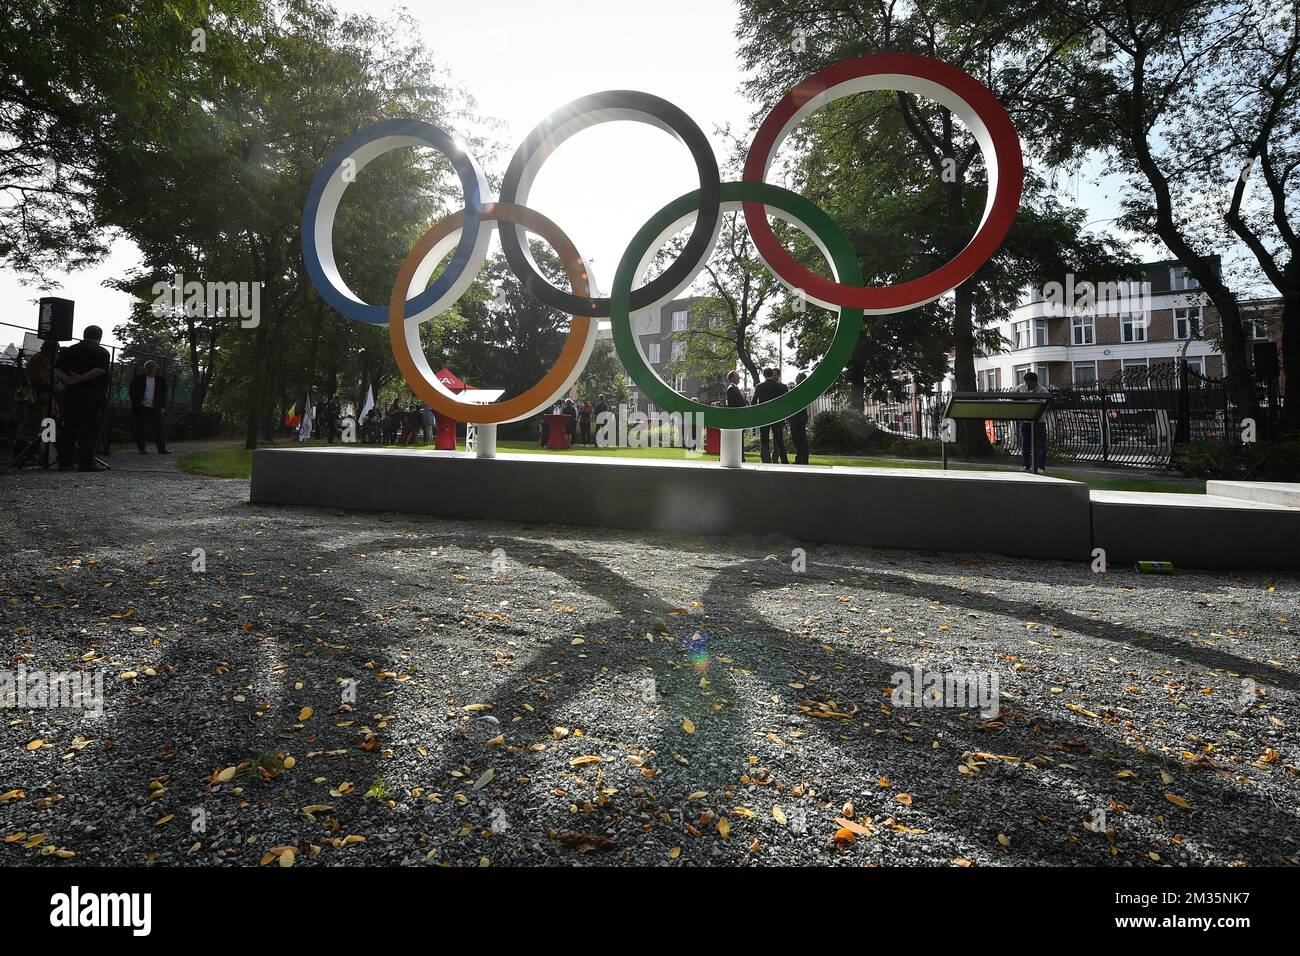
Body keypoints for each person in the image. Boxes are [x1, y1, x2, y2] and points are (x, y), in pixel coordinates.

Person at [54, 325, 111, 472]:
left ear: (84, 335)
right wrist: (81, 379)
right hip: (92, 395)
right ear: (100, 337)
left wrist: (67, 380)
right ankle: (86, 462)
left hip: (71, 394)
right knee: (90, 429)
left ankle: (64, 461)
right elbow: (99, 370)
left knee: (69, 428)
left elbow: (57, 368)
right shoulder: (102, 352)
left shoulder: (69, 350)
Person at [128, 359, 169, 455]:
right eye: (148, 366)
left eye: (152, 366)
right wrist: (137, 403)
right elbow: (132, 392)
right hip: (141, 407)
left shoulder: (161, 380)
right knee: (140, 429)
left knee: (158, 429)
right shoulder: (138, 379)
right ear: (145, 368)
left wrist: (163, 406)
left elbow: (164, 394)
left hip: (155, 407)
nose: (151, 368)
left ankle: (161, 449)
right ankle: (142, 449)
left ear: (156, 368)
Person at [751, 367, 789, 464]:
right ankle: (784, 460)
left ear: (763, 375)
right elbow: (786, 403)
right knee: (779, 440)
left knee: (764, 440)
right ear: (772, 374)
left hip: (764, 417)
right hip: (777, 416)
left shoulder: (759, 386)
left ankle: (765, 460)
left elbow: (754, 402)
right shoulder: (782, 387)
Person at [1015, 370, 1050, 472]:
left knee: (1040, 445)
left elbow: (1046, 406)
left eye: (1028, 383)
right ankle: (1026, 465)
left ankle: (1041, 466)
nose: (1027, 385)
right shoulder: (1020, 388)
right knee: (1025, 444)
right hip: (1025, 421)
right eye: (1025, 382)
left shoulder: (1043, 391)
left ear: (1035, 382)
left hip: (1039, 421)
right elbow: (1013, 397)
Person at [787, 370, 810, 464]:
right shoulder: (801, 389)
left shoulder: (802, 389)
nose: (795, 379)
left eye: (797, 378)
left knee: (800, 439)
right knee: (797, 439)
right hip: (797, 418)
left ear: (801, 379)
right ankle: (801, 458)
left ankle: (802, 458)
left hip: (798, 418)